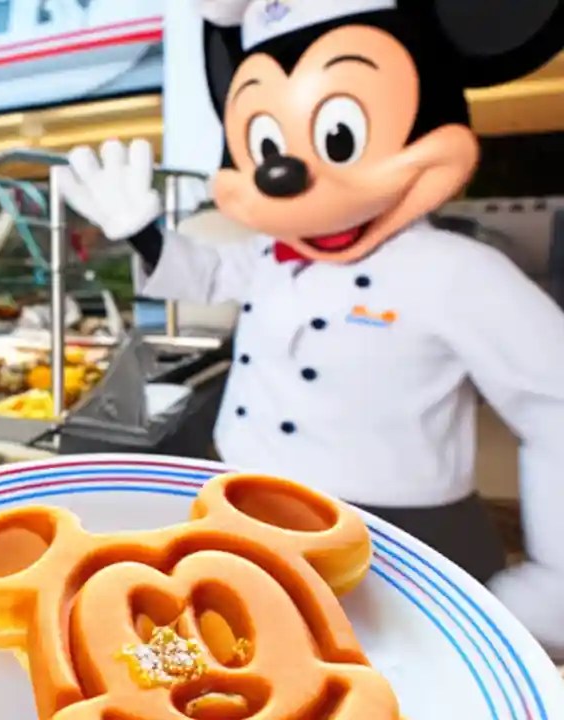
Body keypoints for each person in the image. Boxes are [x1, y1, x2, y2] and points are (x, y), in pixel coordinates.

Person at [59, 0, 564, 658]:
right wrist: (140, 234)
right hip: (236, 505)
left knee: (380, 681)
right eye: (267, 143)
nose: (283, 171)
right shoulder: (273, 252)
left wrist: (554, 584)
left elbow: (554, 405)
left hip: (395, 539)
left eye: (337, 133)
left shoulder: (457, 272)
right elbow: (206, 276)